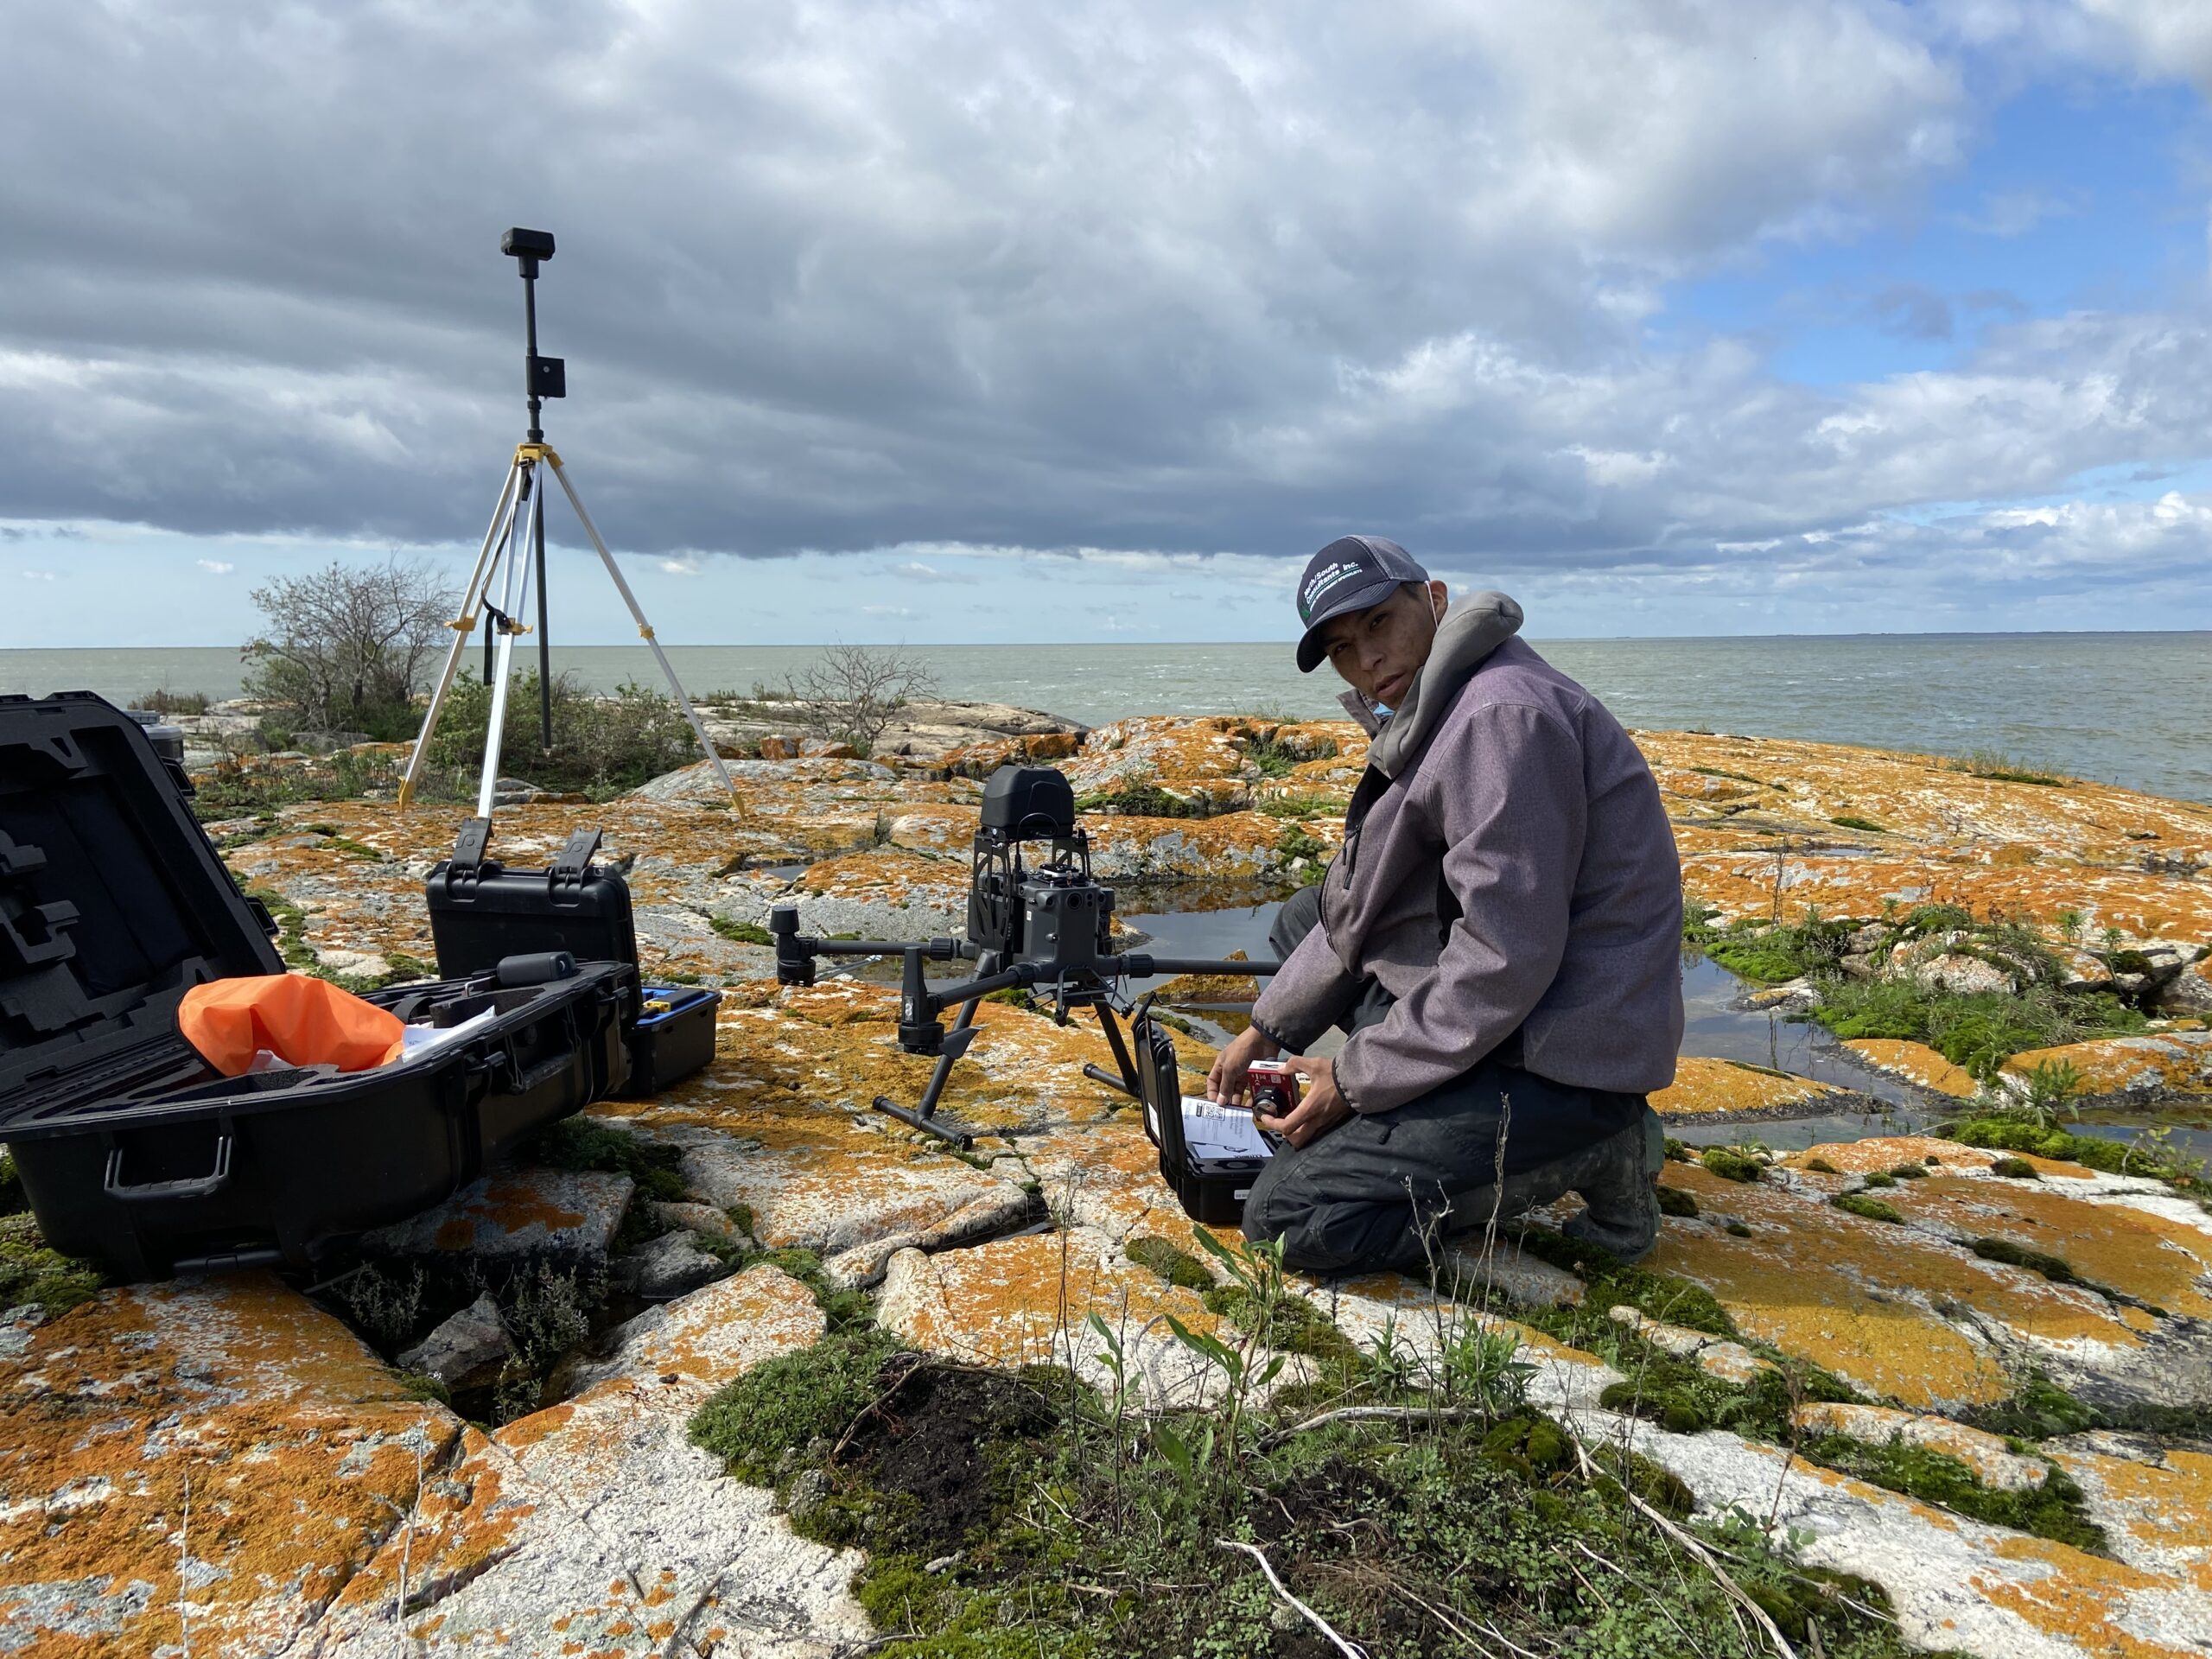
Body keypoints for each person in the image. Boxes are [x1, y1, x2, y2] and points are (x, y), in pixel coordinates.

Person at [1208, 535, 1684, 1276]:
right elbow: (1361, 902)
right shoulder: (1440, 702)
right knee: (1307, 918)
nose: (1368, 659)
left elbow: (1504, 955)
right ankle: (1438, 1107)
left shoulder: (1499, 718)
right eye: (1341, 648)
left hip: (1565, 1055)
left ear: (1433, 600)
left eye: (1379, 622)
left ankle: (1601, 1147)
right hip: (1524, 1015)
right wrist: (1266, 1030)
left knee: (1287, 1219)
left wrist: (1356, 1079)